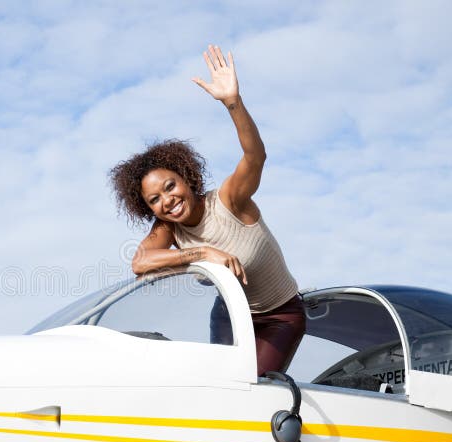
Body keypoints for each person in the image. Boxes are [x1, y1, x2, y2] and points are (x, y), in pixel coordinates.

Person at [108, 44, 305, 376]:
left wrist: (232, 102)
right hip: (231, 313)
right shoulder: (169, 227)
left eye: (170, 187)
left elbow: (255, 157)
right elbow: (140, 262)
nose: (166, 201)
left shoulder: (230, 200)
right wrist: (202, 252)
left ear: (186, 177)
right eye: (154, 200)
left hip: (280, 314)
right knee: (223, 384)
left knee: (252, 385)